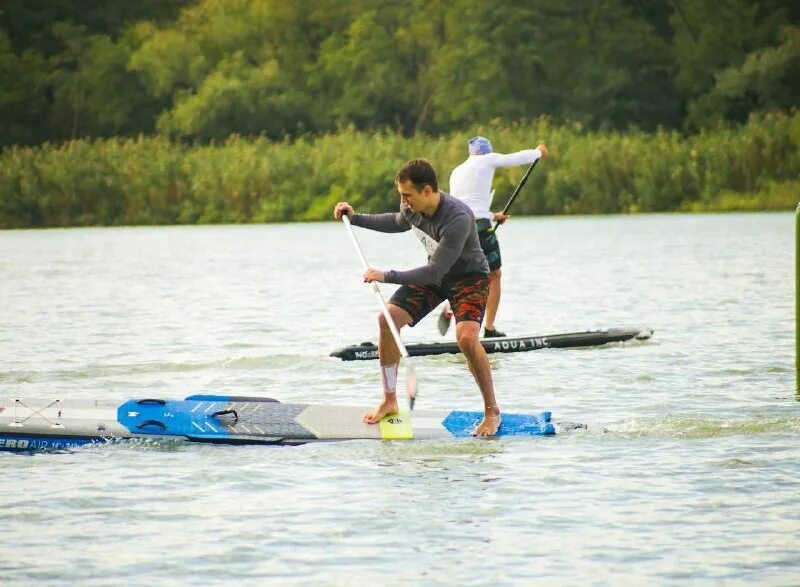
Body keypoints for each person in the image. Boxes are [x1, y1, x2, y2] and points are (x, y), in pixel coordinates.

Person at [333, 159, 501, 436]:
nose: (404, 201)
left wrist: (386, 275)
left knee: (467, 338)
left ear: (427, 191)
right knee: (386, 320)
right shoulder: (412, 208)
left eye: (407, 195)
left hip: (469, 279)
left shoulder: (458, 218)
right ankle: (389, 400)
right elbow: (397, 221)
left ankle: (491, 410)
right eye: (401, 195)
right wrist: (355, 217)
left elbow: (435, 269)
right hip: (434, 278)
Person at [444, 136, 548, 338]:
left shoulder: (457, 171)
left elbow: (466, 206)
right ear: (486, 151)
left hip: (456, 228)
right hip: (480, 228)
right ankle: (489, 329)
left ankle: (459, 318)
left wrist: (492, 215)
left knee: (467, 276)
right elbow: (515, 158)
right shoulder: (486, 160)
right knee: (494, 277)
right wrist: (538, 153)